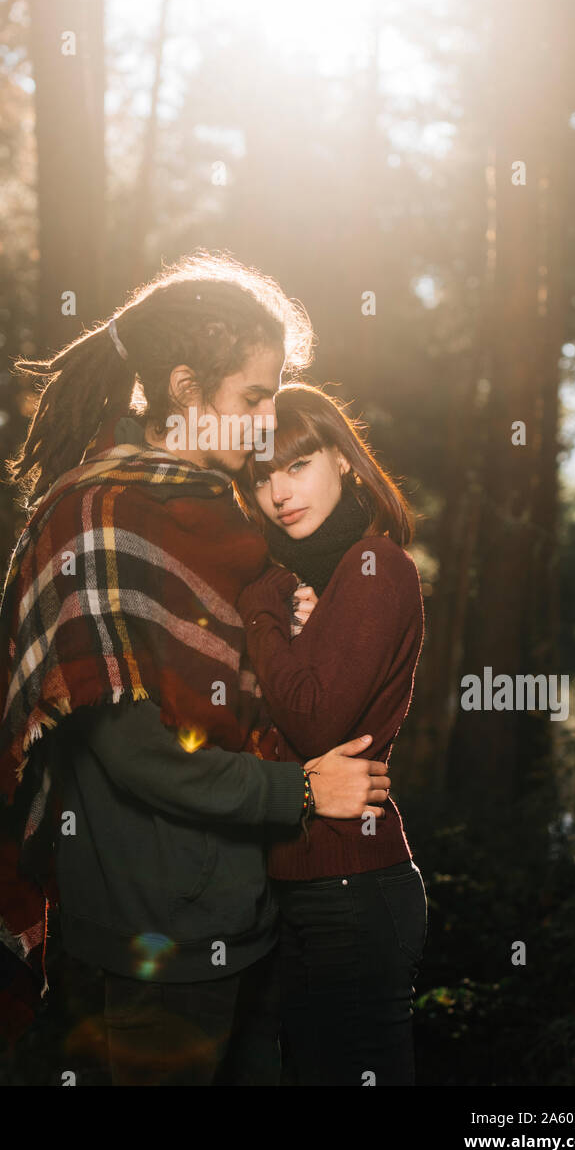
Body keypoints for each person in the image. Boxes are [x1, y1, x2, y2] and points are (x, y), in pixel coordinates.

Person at [0, 251, 392, 1086]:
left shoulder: (216, 518)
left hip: (248, 910)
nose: (267, 422)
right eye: (254, 397)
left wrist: (286, 631)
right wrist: (299, 791)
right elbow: (136, 749)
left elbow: (236, 687)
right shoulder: (96, 518)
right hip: (150, 939)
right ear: (186, 388)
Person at [234, 382, 427, 1086]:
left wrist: (259, 607)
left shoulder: (374, 568)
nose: (279, 492)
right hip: (301, 883)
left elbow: (313, 718)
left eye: (297, 464)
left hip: (353, 884)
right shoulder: (313, 586)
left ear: (343, 459)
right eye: (261, 476)